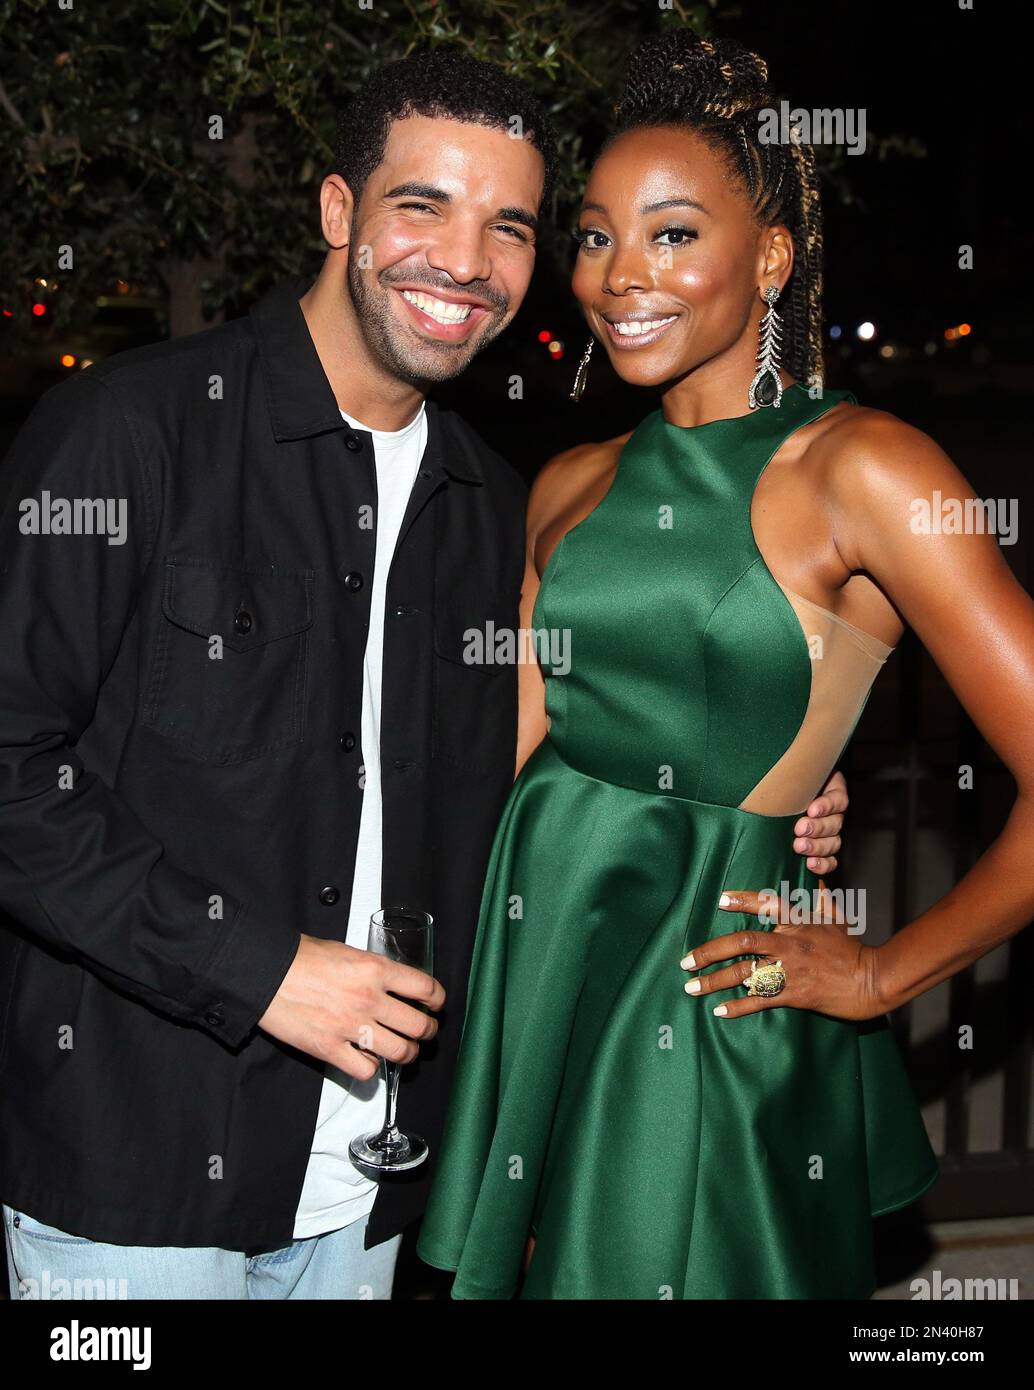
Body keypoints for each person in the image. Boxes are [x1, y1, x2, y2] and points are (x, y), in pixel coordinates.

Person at [0, 48, 842, 1301]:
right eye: (421, 205)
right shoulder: (130, 433)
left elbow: (520, 771)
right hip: (138, 1181)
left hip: (380, 1190)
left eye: (507, 226)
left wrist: (757, 778)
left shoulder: (492, 509)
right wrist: (259, 966)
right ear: (338, 213)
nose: (464, 261)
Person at [416, 31, 1034, 1300]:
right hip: (547, 977)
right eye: (593, 235)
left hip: (710, 997)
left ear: (768, 257)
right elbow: (496, 763)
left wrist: (875, 972)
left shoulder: (868, 468)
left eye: (672, 234)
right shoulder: (569, 484)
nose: (620, 275)